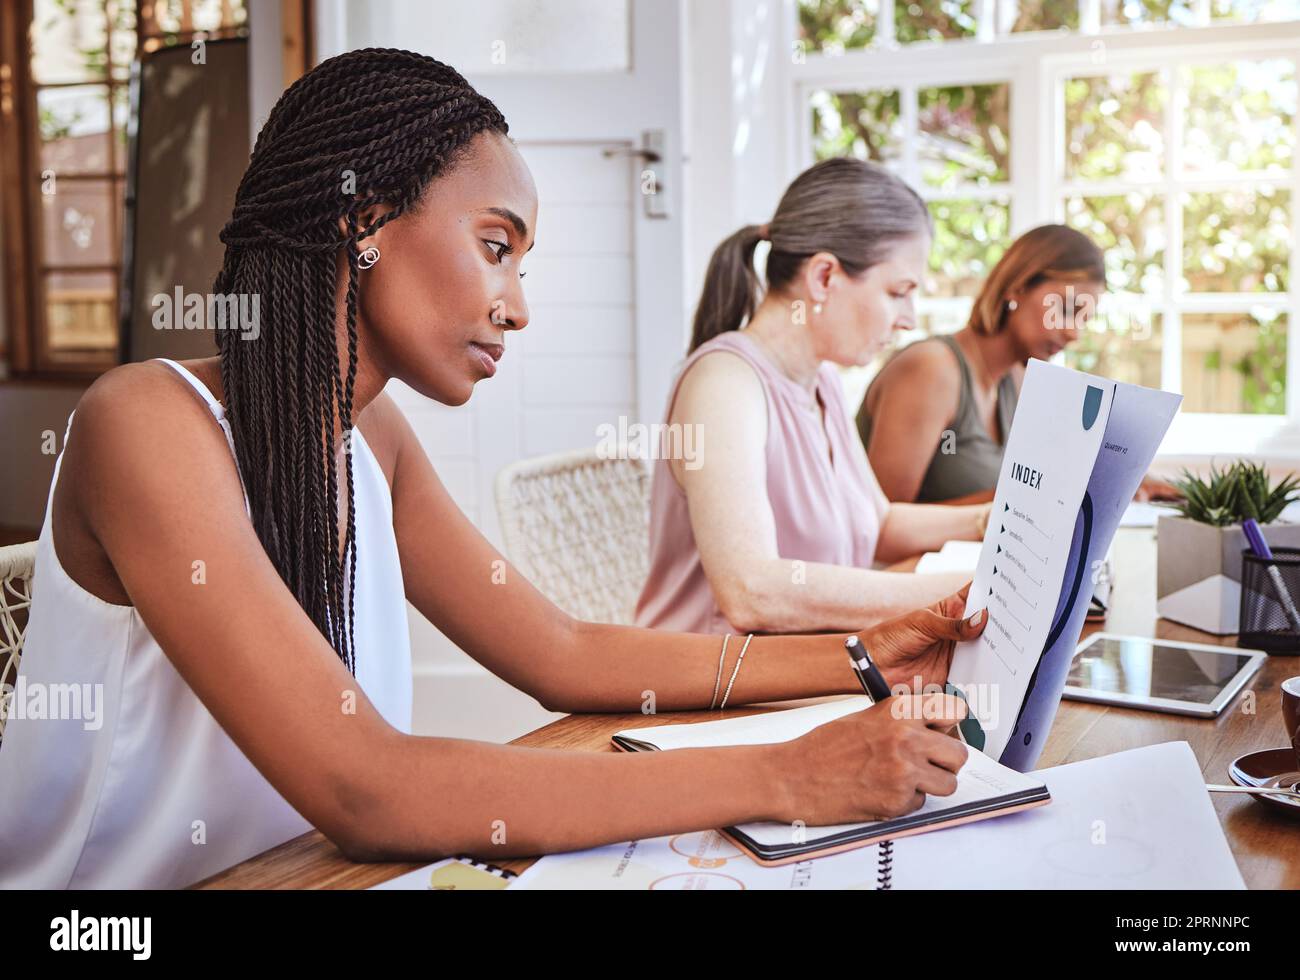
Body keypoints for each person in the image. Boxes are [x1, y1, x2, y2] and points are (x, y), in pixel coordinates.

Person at [0, 50, 984, 889]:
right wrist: (787, 773)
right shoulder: (148, 423)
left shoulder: (370, 434)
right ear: (364, 220)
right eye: (495, 246)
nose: (518, 305)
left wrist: (865, 653)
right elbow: (367, 785)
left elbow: (562, 652)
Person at [635, 157, 990, 637]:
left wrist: (997, 523)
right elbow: (751, 591)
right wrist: (977, 589)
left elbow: (878, 524)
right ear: (824, 277)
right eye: (897, 292)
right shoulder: (725, 383)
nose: (908, 319)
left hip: (793, 686)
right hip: (704, 699)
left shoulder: (820, 382)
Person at [858, 224, 1179, 504]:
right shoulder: (931, 369)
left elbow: (1064, 462)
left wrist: (1130, 476)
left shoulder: (1016, 378)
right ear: (1018, 286)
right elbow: (882, 525)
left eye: (1084, 320)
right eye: (1066, 309)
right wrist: (1021, 499)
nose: (1073, 332)